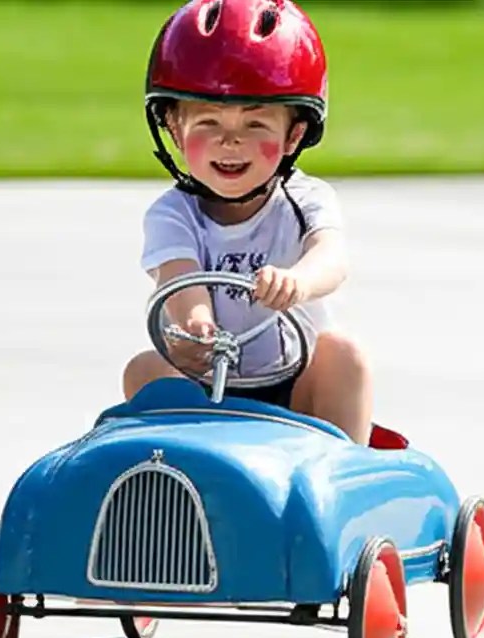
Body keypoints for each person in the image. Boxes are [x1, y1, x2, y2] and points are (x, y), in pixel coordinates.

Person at [121, 0, 372, 445]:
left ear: (293, 134)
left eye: (256, 123)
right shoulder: (172, 213)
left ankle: (342, 470)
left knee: (343, 355)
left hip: (298, 386)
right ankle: (170, 481)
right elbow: (180, 280)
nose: (230, 141)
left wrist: (298, 281)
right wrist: (197, 327)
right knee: (145, 369)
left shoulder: (305, 198)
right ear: (174, 129)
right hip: (206, 387)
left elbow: (331, 257)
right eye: (208, 122)